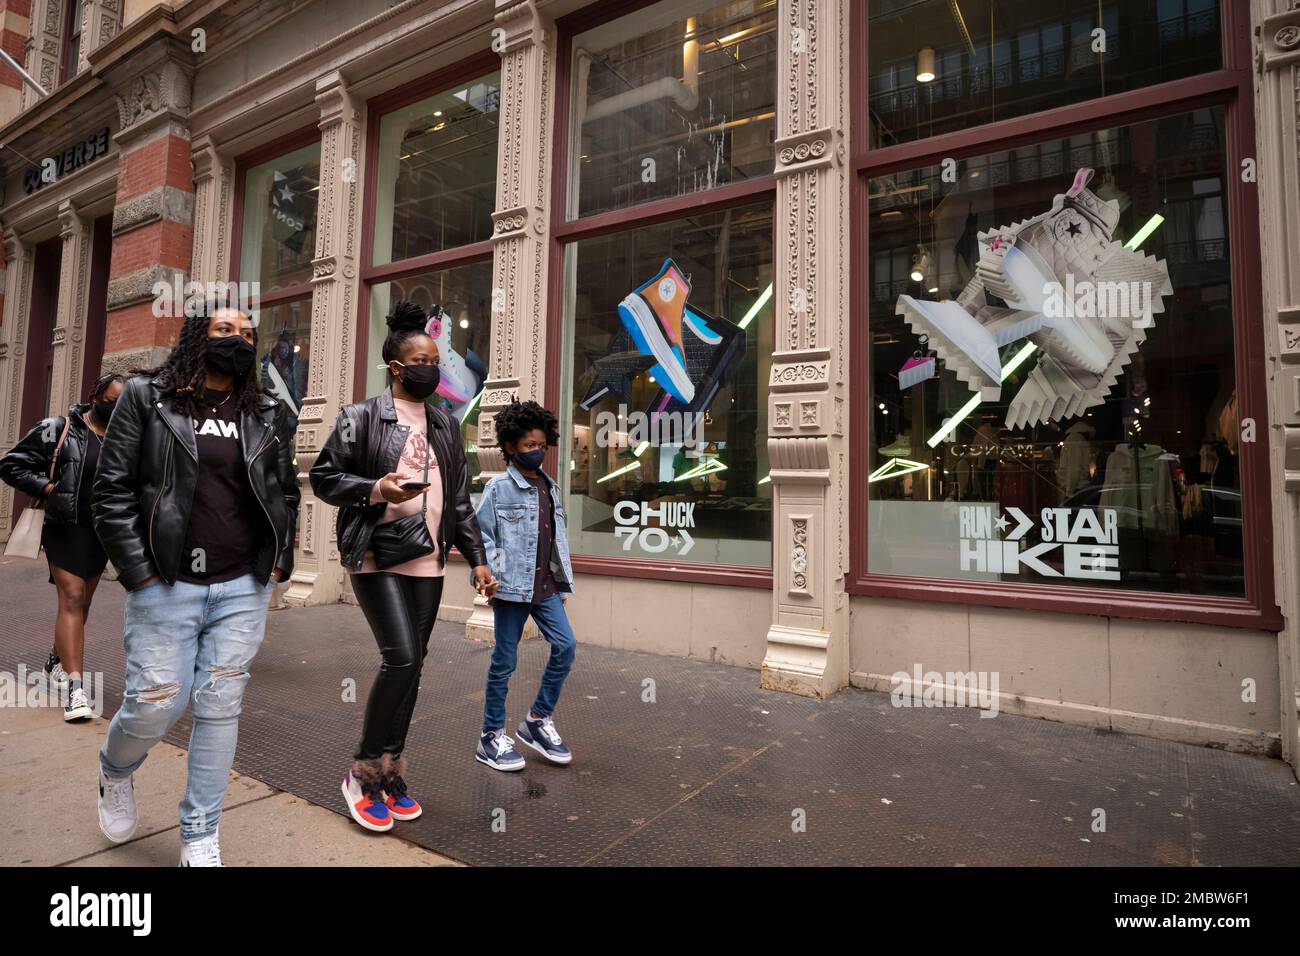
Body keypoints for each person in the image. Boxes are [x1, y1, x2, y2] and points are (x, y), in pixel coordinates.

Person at [91, 303, 300, 866]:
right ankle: (115, 769)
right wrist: (139, 572)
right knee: (158, 701)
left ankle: (201, 835)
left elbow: (285, 491)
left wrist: (279, 561)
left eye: (247, 333)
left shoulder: (267, 411)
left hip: (242, 586)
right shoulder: (147, 397)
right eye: (224, 329)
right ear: (195, 337)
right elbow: (110, 492)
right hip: (167, 580)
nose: (238, 339)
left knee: (219, 706)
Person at [310, 300, 497, 833]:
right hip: (376, 553)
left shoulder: (444, 424)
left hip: (429, 558)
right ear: (396, 366)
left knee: (414, 664)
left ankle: (391, 770)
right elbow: (324, 478)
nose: (432, 368)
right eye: (421, 359)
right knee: (401, 657)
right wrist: (375, 488)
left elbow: (459, 500)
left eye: (435, 359)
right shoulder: (361, 417)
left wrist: (478, 560)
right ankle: (363, 773)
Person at [0, 373, 125, 720]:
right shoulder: (58, 428)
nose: (116, 408)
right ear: (95, 396)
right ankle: (75, 690)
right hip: (64, 529)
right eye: (111, 400)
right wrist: (49, 489)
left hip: (100, 530)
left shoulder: (123, 437)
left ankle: (56, 660)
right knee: (71, 598)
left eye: (122, 403)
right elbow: (10, 465)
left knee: (82, 605)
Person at [473, 399, 577, 772]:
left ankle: (536, 720)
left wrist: (562, 584)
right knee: (504, 661)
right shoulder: (499, 488)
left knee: (565, 647)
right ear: (511, 446)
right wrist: (486, 573)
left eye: (541, 446)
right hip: (512, 587)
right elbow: (482, 535)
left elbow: (555, 538)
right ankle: (490, 736)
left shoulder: (550, 487)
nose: (537, 452)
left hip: (546, 587)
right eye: (529, 446)